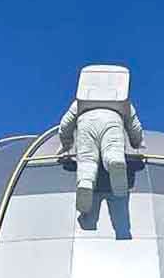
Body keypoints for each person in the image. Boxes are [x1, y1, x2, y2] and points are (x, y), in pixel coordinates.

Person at [58, 64, 144, 214]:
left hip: (85, 123)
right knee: (112, 149)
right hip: (113, 121)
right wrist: (137, 142)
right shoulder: (124, 103)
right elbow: (133, 124)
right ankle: (114, 161)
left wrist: (66, 143)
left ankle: (85, 182)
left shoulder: (79, 103)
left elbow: (65, 124)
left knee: (86, 159)